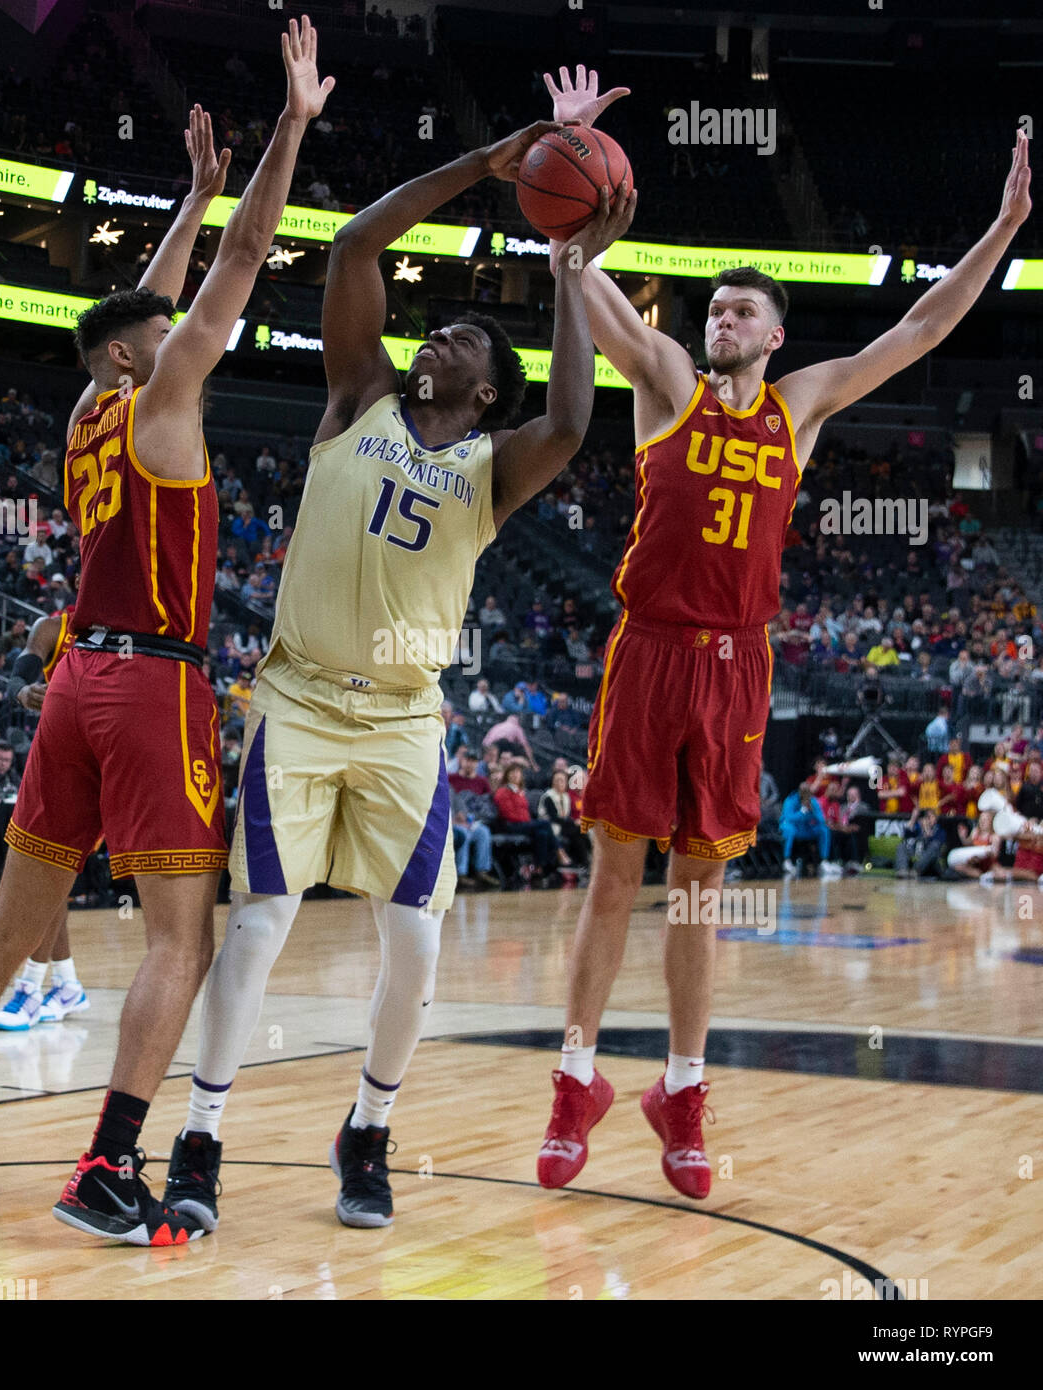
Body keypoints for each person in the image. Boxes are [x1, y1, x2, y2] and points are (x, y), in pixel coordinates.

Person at [0, 29, 329, 1246]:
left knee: (14, 924)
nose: (186, 336)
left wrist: (190, 197)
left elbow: (153, 299)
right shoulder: (164, 395)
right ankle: (109, 1167)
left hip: (76, 679)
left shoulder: (87, 407)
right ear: (136, 355)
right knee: (183, 932)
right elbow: (238, 266)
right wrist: (289, 128)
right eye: (163, 332)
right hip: (153, 685)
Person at [532, 76, 1032, 1201]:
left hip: (736, 663)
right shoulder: (665, 379)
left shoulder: (798, 406)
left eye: (741, 313)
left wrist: (1003, 228)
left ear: (776, 334)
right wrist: (573, 164)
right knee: (614, 873)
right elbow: (584, 281)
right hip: (649, 648)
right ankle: (574, 1078)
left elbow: (920, 326)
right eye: (714, 308)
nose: (721, 320)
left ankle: (681, 1090)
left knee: (699, 891)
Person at [161, 107, 632, 1236]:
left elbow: (573, 421)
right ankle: (200, 1135)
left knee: (416, 945)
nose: (442, 335)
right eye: (441, 328)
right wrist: (482, 163)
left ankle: (367, 1130)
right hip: (297, 703)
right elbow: (353, 246)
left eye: (465, 338)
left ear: (486, 392)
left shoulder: (491, 466)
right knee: (260, 924)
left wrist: (573, 267)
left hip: (404, 723)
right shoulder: (358, 396)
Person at [0, 606, 91, 1030]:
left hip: (102, 761)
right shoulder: (53, 627)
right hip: (59, 758)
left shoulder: (131, 630)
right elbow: (22, 669)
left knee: (51, 876)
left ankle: (31, 988)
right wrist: (20, 692)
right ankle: (66, 984)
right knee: (53, 876)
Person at [778, 784, 841, 879]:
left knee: (823, 829)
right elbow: (788, 818)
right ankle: (786, 860)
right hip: (792, 828)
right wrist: (802, 812)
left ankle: (824, 861)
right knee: (790, 829)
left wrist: (813, 811)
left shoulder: (813, 801)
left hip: (805, 830)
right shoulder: (790, 800)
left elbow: (821, 820)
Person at [894, 809, 947, 879]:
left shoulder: (940, 830)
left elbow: (936, 845)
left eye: (930, 817)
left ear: (935, 819)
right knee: (901, 846)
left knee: (934, 846)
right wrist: (913, 819)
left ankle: (915, 871)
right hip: (915, 858)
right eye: (926, 817)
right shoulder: (918, 828)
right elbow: (906, 835)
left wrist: (927, 830)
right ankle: (902, 870)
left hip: (930, 864)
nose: (928, 820)